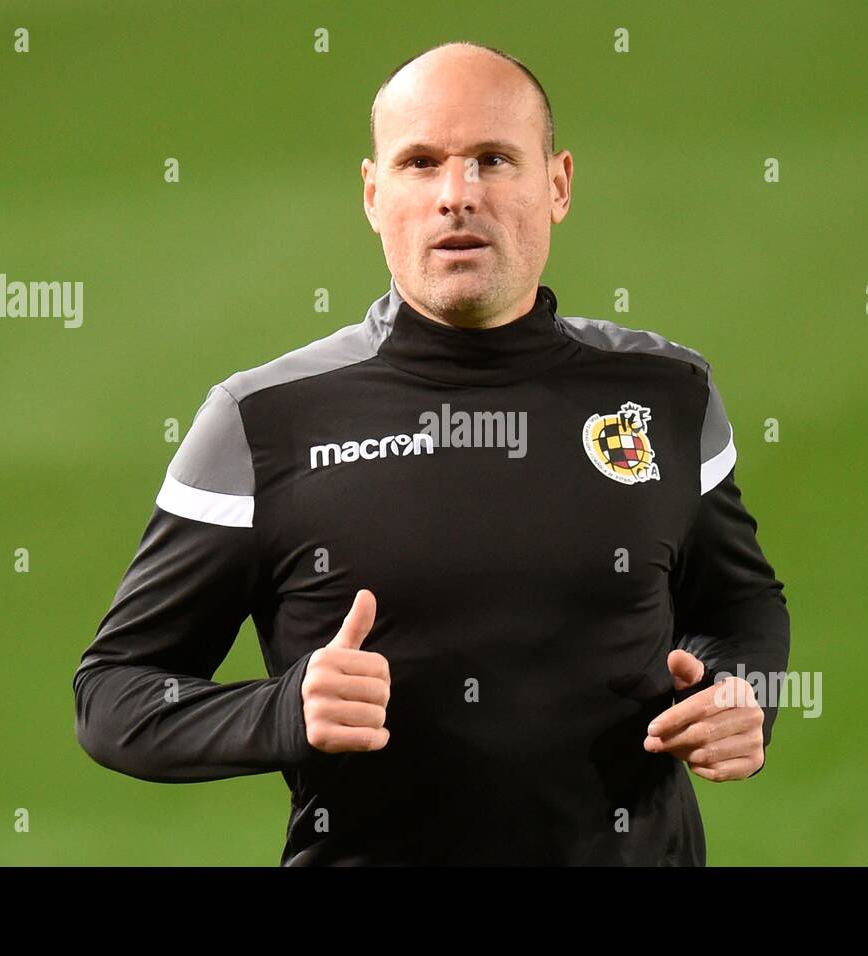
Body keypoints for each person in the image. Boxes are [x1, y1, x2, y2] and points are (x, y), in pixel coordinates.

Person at [72, 40, 790, 865]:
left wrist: (745, 695)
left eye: (493, 159)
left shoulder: (666, 395)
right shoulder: (265, 422)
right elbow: (114, 695)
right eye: (421, 163)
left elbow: (741, 607)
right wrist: (282, 713)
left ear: (556, 185)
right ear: (375, 196)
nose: (458, 195)